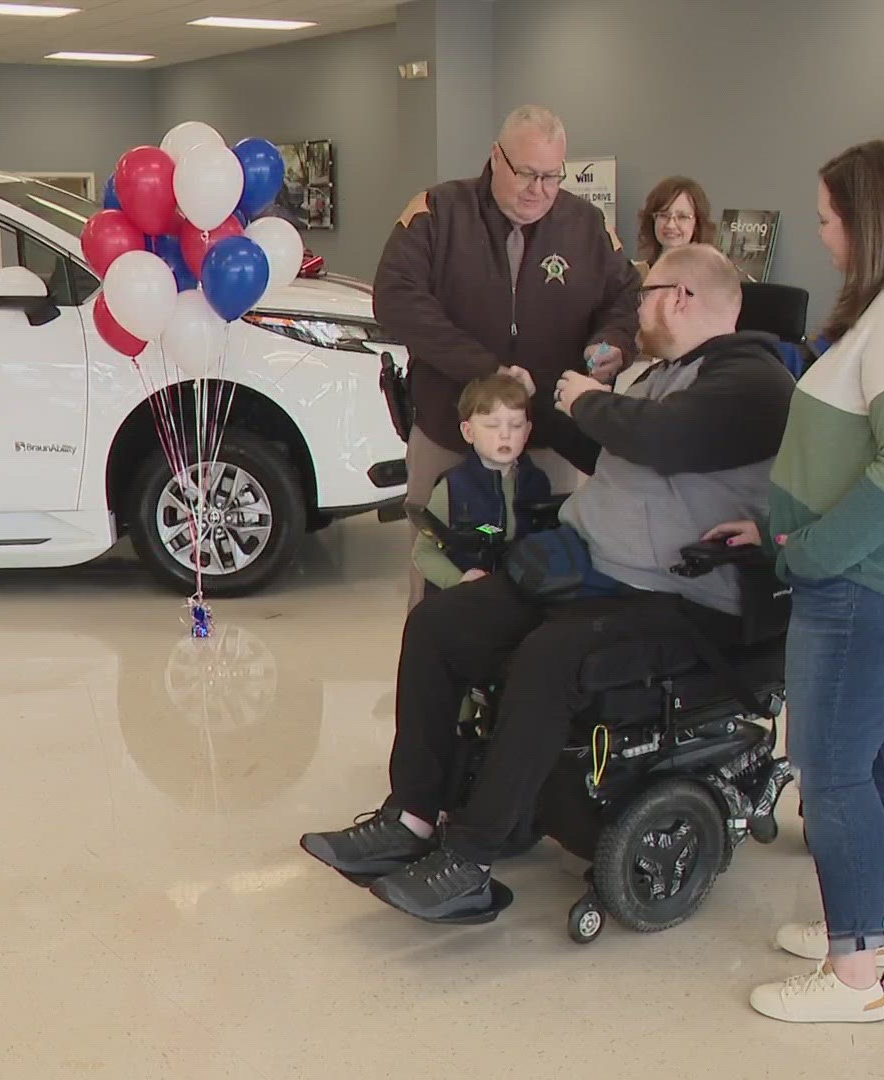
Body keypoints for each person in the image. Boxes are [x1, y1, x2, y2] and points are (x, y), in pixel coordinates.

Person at [302, 245, 794, 923]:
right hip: (599, 568)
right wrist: (554, 411)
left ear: (680, 296)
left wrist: (591, 400)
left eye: (646, 293)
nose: (637, 311)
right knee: (441, 623)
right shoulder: (663, 375)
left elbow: (665, 440)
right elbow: (615, 451)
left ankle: (472, 857)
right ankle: (413, 814)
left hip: (680, 598)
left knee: (550, 657)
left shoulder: (752, 379)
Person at [705, 140, 884, 1024]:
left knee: (832, 770)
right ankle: (877, 924)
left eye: (828, 218)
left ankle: (853, 976)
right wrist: (782, 522)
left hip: (877, 582)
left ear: (868, 221)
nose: (823, 234)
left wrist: (813, 550)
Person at [374, 104, 641, 608]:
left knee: (549, 576)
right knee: (442, 579)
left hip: (550, 440)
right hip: (450, 432)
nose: (538, 189)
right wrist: (485, 370)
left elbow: (624, 298)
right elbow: (395, 297)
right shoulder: (438, 211)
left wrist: (613, 345)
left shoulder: (586, 225)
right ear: (496, 157)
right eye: (526, 173)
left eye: (551, 177)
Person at [411, 374, 550, 593]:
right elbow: (424, 552)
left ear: (527, 432)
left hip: (521, 599)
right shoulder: (451, 488)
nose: (505, 435)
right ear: (468, 432)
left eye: (515, 425)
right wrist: (459, 581)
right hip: (463, 603)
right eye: (492, 426)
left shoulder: (537, 482)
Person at [632, 176, 715, 275]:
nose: (670, 225)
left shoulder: (711, 276)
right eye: (663, 215)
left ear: (697, 223)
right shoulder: (636, 275)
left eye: (682, 217)